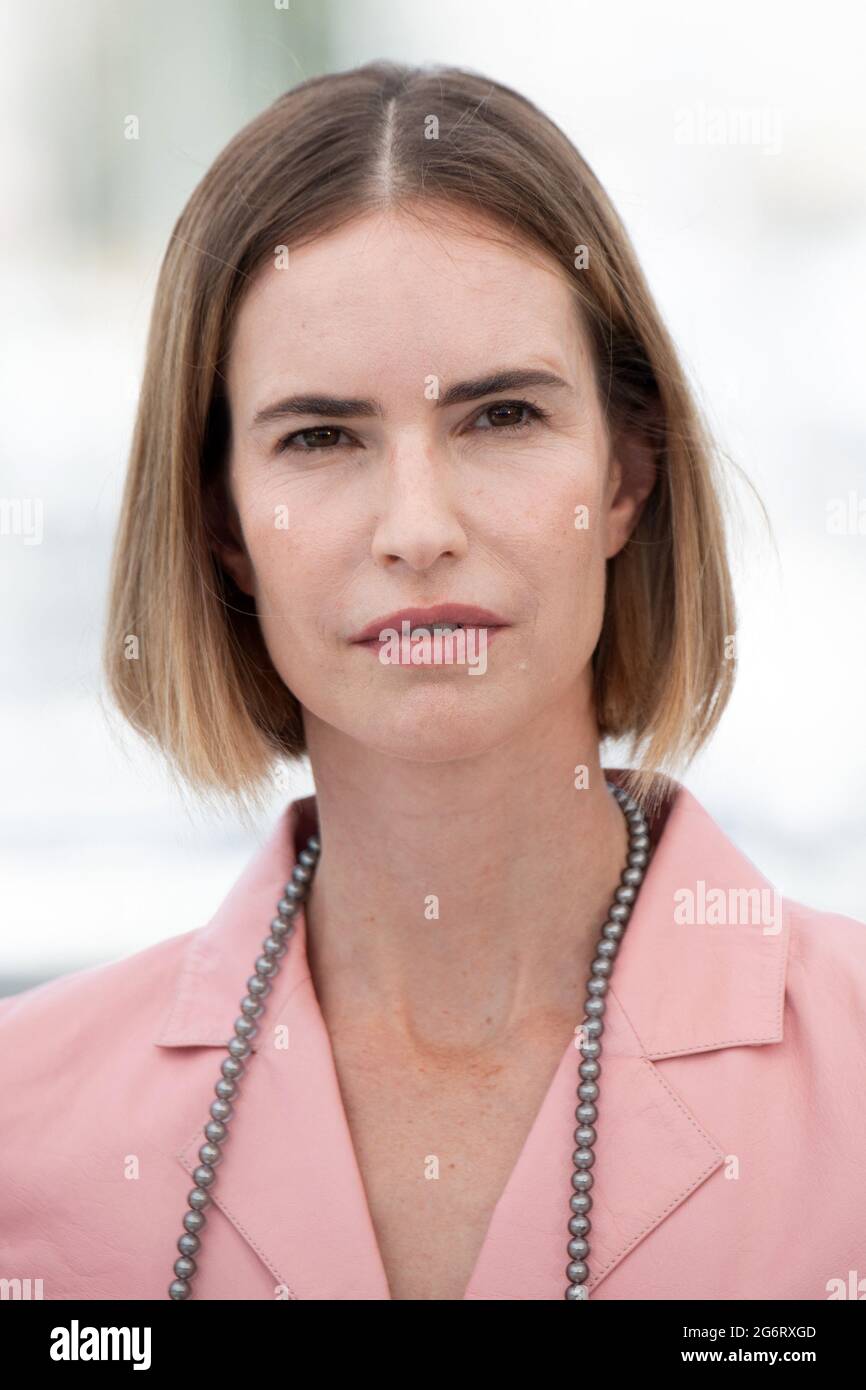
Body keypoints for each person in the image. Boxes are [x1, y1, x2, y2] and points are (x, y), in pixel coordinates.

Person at [1, 62, 864, 1303]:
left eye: (500, 416)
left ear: (624, 476)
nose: (417, 527)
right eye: (320, 437)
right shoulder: (24, 1128)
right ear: (223, 523)